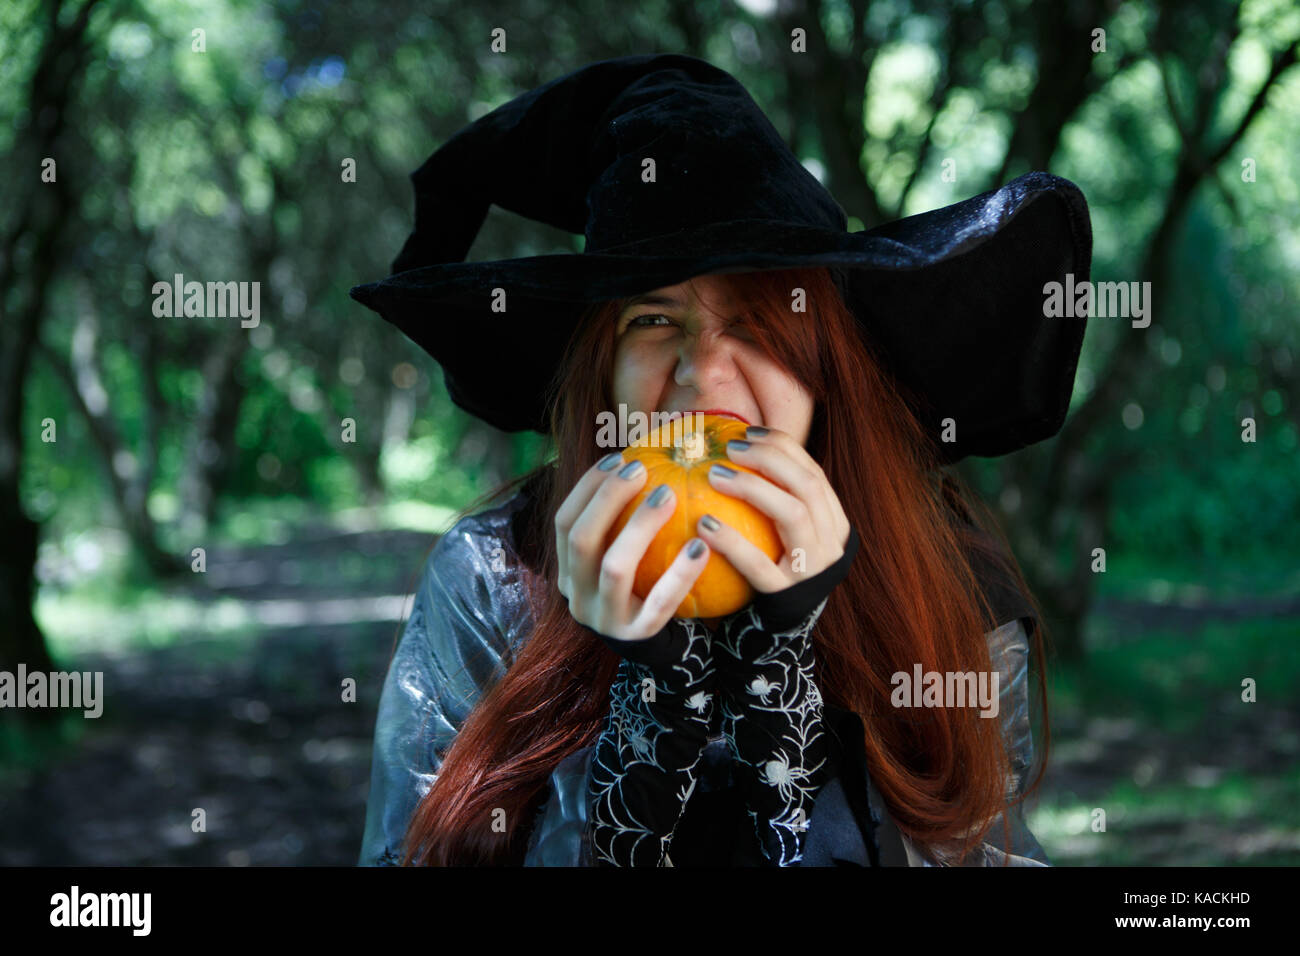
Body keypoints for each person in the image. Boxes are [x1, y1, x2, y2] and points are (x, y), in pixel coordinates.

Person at [348, 53, 1092, 866]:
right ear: (602, 367)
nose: (703, 372)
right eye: (653, 321)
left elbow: (984, 851)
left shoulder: (947, 582)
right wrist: (655, 709)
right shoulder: (492, 576)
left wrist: (781, 682)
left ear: (824, 367)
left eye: (757, 324)